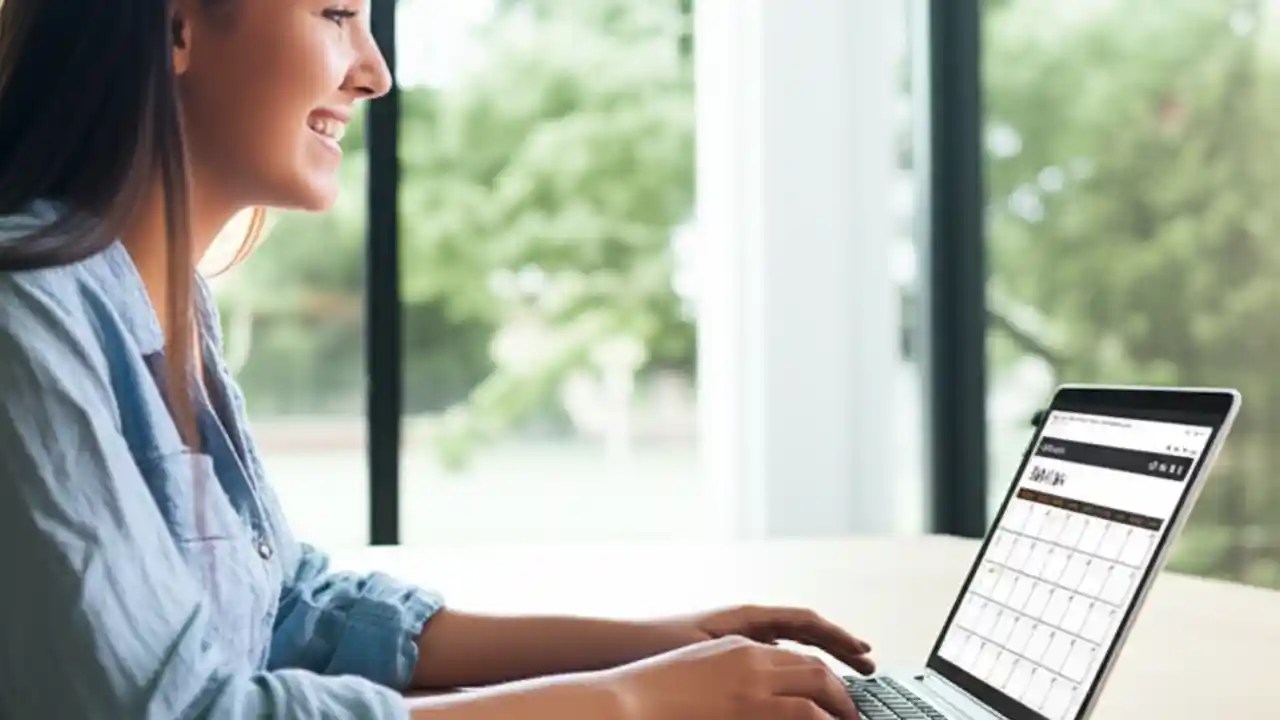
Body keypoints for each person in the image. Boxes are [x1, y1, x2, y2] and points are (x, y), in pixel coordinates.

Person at [0, 2, 875, 718]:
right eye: (337, 14)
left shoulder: (162, 304)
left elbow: (287, 609)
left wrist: (660, 642)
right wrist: (625, 702)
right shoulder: (26, 316)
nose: (374, 71)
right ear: (176, 27)